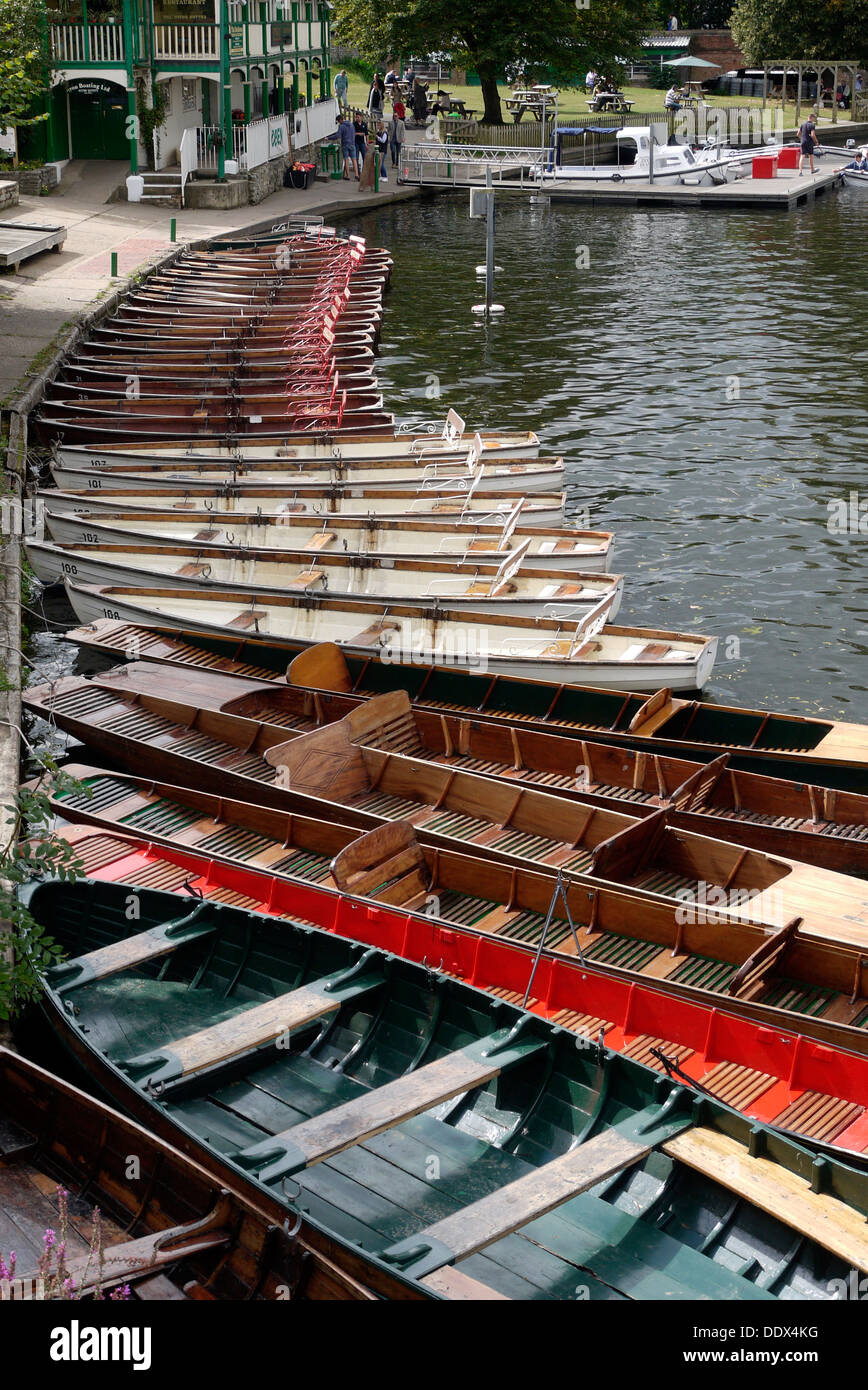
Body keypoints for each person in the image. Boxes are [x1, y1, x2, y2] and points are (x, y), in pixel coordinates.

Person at [798, 110, 819, 174]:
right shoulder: (812, 125)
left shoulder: (803, 124)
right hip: (809, 142)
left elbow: (798, 134)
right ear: (811, 118)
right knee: (811, 155)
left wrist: (802, 139)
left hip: (803, 142)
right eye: (814, 118)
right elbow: (812, 135)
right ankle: (812, 170)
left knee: (802, 156)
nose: (814, 120)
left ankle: (800, 171)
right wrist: (816, 142)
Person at [338, 113, 357, 180]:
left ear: (340, 120)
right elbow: (354, 133)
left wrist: (329, 138)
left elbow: (338, 135)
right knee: (354, 160)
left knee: (346, 159)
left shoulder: (341, 126)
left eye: (338, 121)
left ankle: (348, 175)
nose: (338, 123)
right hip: (352, 143)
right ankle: (357, 175)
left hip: (345, 144)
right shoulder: (351, 124)